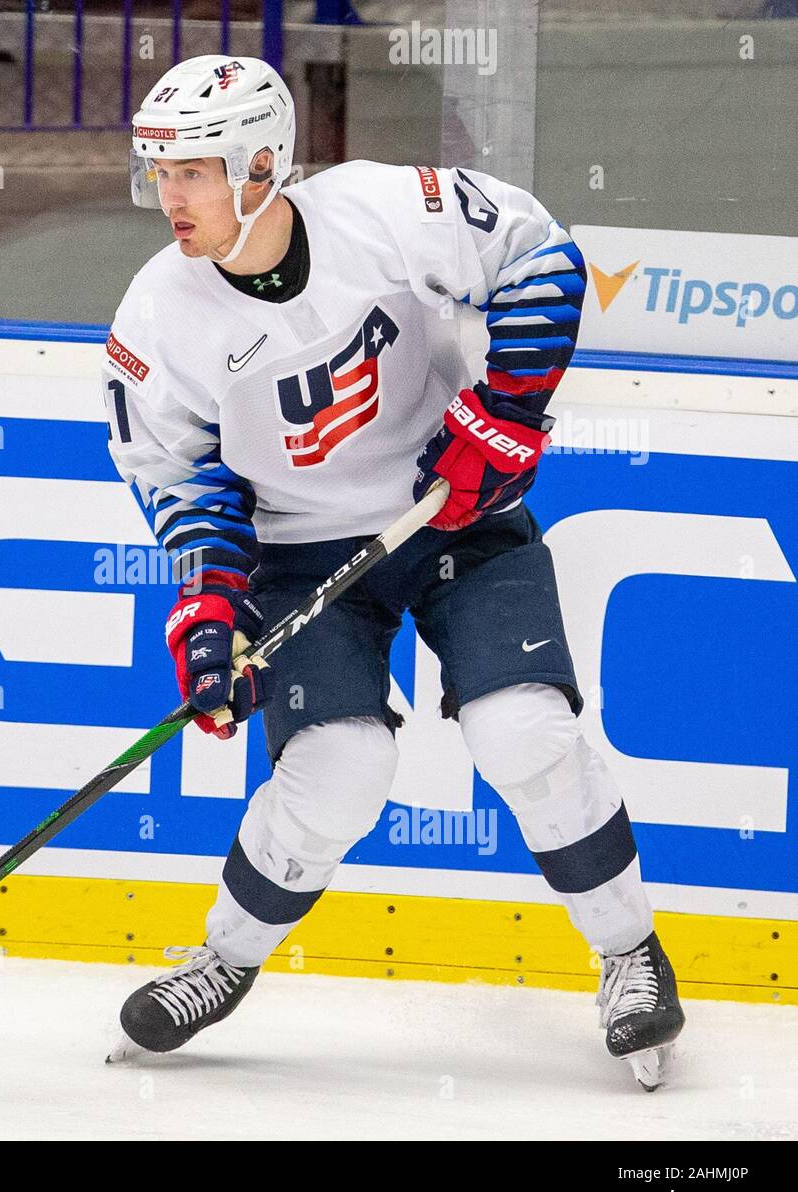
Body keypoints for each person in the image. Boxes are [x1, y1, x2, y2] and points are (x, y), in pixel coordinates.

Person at [101, 55, 684, 1089]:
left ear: (261, 164)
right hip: (296, 550)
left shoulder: (383, 208)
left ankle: (630, 954)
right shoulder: (155, 319)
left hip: (453, 509)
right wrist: (209, 613)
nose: (169, 197)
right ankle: (223, 959)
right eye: (159, 172)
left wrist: (503, 416)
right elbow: (184, 481)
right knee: (337, 769)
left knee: (523, 732)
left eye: (192, 171)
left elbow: (540, 255)